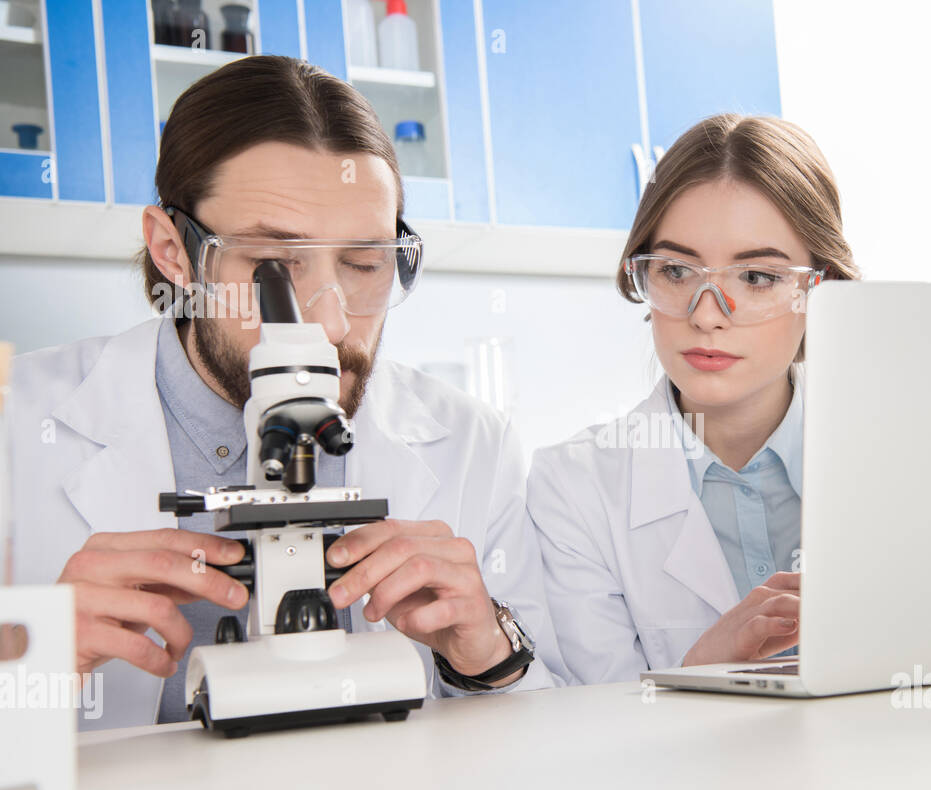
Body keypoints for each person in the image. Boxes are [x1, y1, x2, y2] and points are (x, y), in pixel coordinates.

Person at [7, 56, 568, 729]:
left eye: (365, 265)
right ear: (172, 251)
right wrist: (29, 660)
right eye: (274, 267)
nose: (329, 322)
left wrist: (485, 652)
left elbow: (550, 733)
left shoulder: (474, 444)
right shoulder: (21, 423)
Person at [527, 114, 859, 684]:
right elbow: (589, 737)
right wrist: (702, 669)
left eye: (756, 277)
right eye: (677, 271)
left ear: (816, 290)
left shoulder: (889, 458)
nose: (706, 314)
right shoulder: (574, 487)